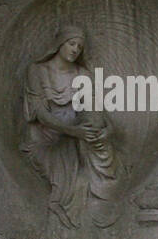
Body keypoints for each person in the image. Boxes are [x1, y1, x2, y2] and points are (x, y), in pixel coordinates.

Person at [20, 25, 120, 228]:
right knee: (73, 176)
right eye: (71, 43)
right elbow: (41, 114)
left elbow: (96, 109)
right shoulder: (38, 71)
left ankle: (105, 195)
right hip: (47, 134)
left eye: (80, 47)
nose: (75, 49)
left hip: (76, 131)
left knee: (99, 141)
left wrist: (108, 129)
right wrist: (75, 132)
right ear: (59, 44)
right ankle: (65, 202)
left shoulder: (82, 74)